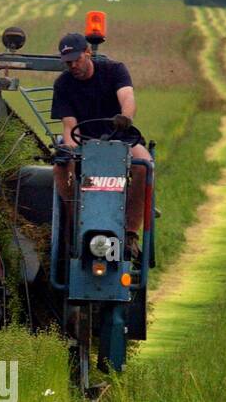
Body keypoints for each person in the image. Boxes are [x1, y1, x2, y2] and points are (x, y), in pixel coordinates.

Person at [50, 32, 152, 261]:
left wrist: (125, 117)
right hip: (85, 145)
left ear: (88, 53)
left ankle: (130, 233)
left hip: (120, 138)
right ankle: (75, 225)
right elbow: (69, 126)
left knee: (144, 165)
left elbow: (127, 98)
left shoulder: (114, 70)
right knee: (61, 168)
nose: (73, 65)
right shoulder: (63, 84)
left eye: (76, 59)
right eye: (68, 62)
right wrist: (72, 150)